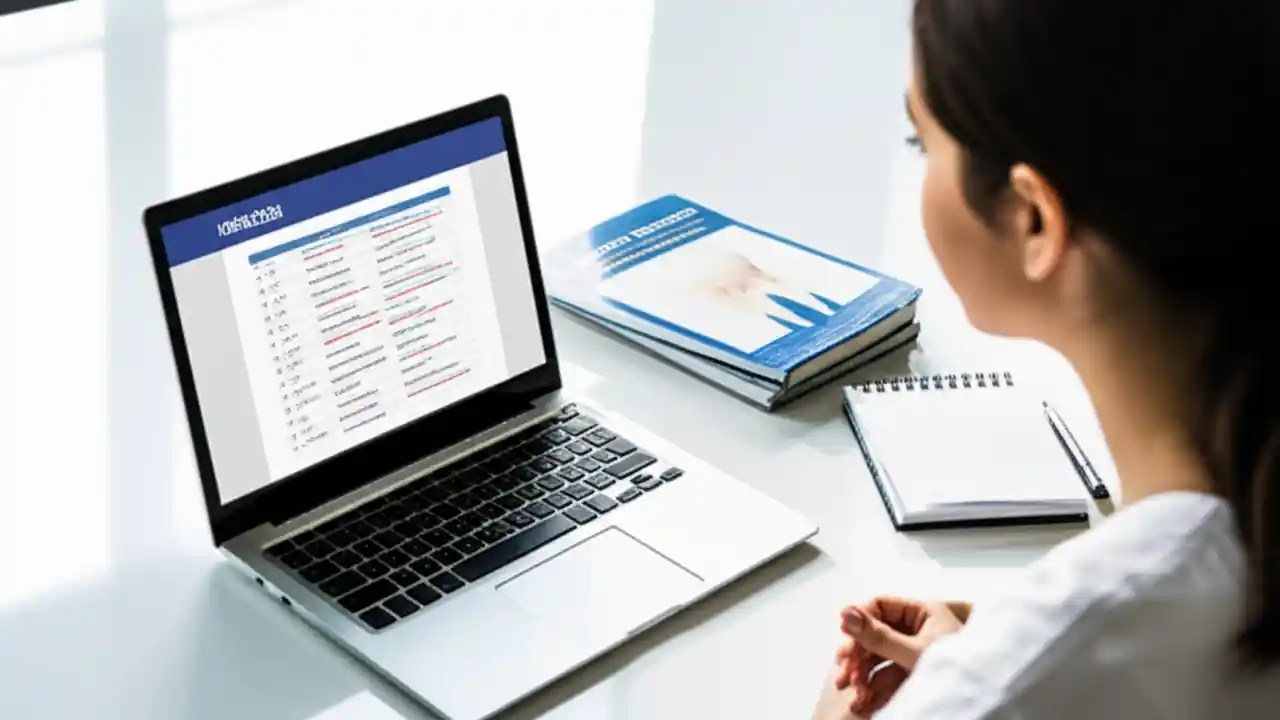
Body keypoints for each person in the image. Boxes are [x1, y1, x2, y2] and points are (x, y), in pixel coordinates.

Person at [814, 1, 1275, 717]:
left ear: (1033, 218)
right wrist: (1006, 641)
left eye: (921, 142)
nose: (920, 166)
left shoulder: (993, 692)